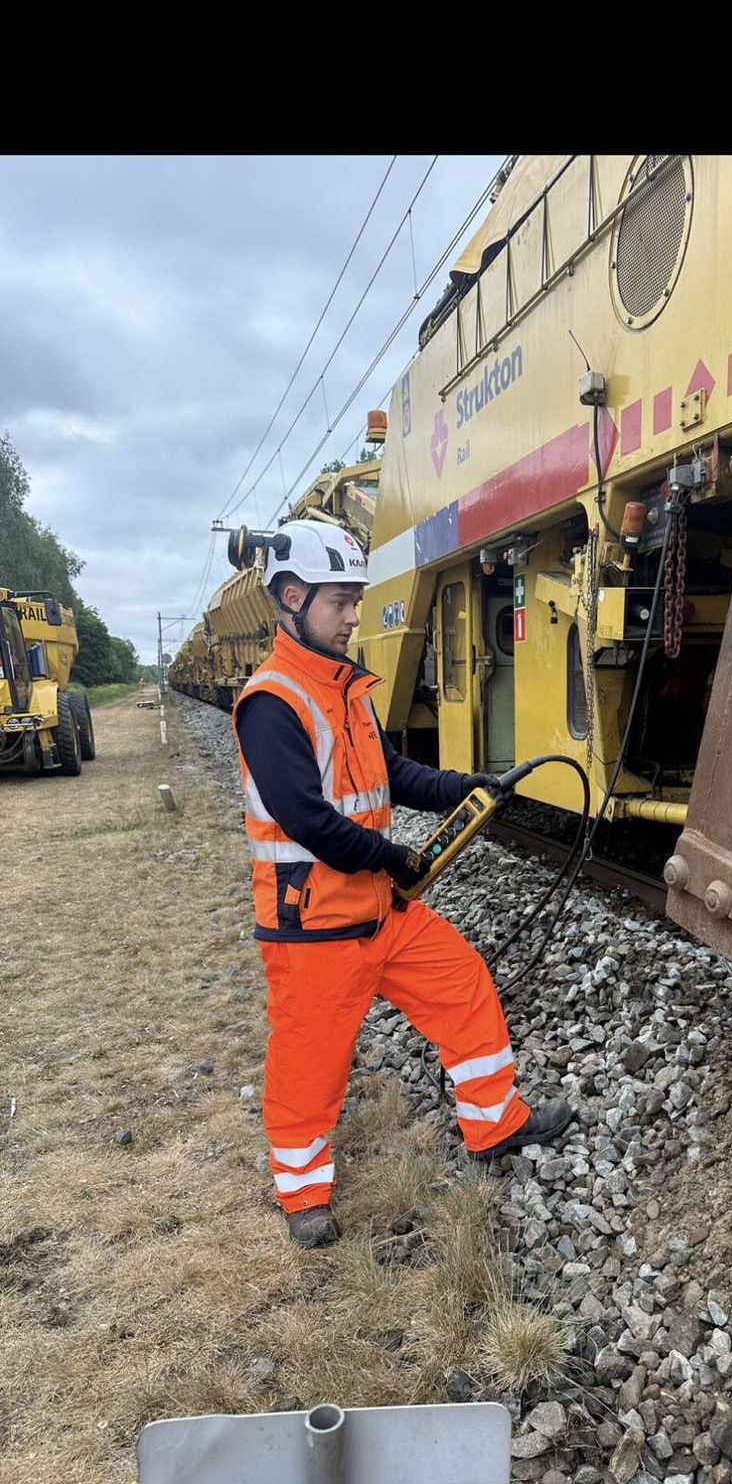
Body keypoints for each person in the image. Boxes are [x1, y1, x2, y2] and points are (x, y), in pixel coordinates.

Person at [233, 519, 575, 1248]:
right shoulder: (272, 702)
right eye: (340, 602)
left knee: (462, 984)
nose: (354, 617)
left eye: (356, 600)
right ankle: (303, 1194)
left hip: (380, 911)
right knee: (310, 1064)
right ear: (291, 598)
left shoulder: (346, 689)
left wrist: (464, 785)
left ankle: (494, 1124)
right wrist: (393, 858)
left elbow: (392, 774)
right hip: (313, 924)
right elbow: (306, 819)